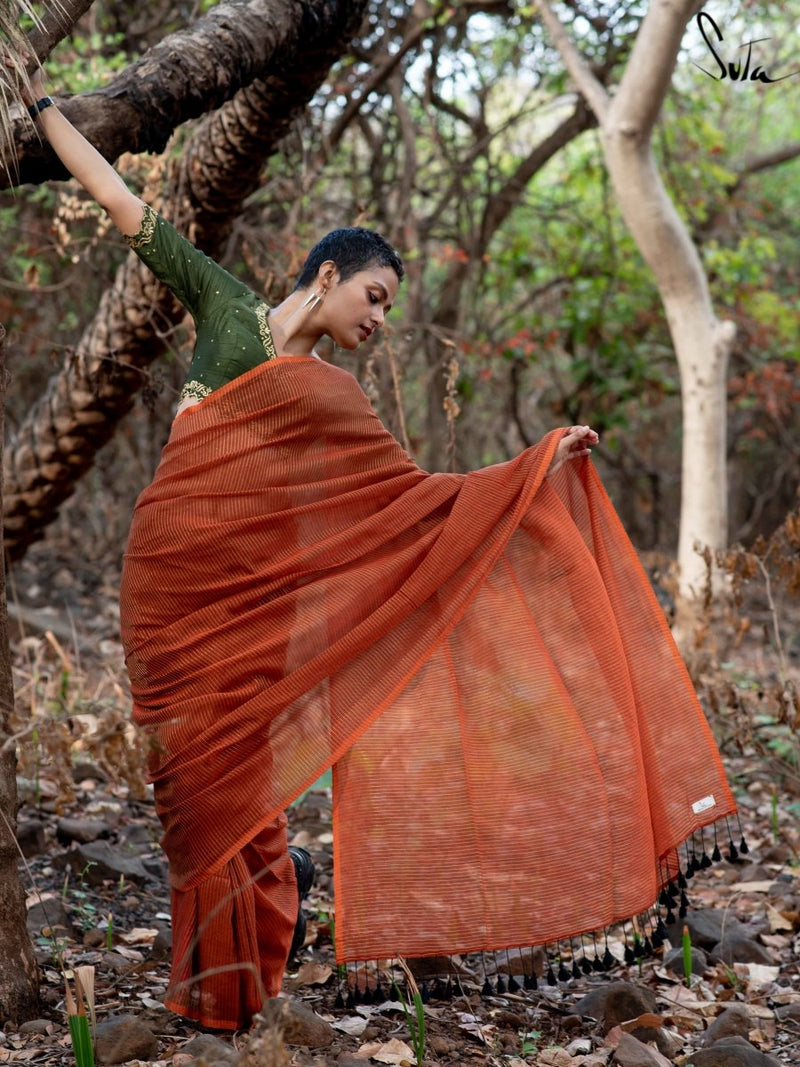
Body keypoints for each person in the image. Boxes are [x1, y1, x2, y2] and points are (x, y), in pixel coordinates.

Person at [16, 63, 737, 1032]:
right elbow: (117, 199)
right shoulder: (228, 312)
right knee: (187, 788)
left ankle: (230, 985)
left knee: (242, 789)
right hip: (169, 585)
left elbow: (409, 505)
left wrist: (534, 468)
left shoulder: (335, 402)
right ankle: (219, 971)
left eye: (389, 305)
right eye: (374, 294)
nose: (379, 318)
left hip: (257, 611)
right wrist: (41, 109)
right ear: (325, 275)